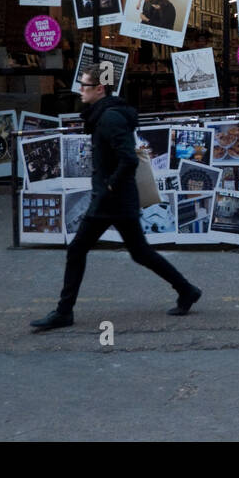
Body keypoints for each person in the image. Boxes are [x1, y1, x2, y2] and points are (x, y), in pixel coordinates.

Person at [31, 66, 201, 330]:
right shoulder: (103, 115)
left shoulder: (109, 118)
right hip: (115, 200)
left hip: (112, 200)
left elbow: (129, 159)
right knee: (139, 252)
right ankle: (186, 289)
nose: (80, 91)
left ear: (100, 89)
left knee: (79, 249)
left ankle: (64, 312)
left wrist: (109, 186)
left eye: (85, 86)